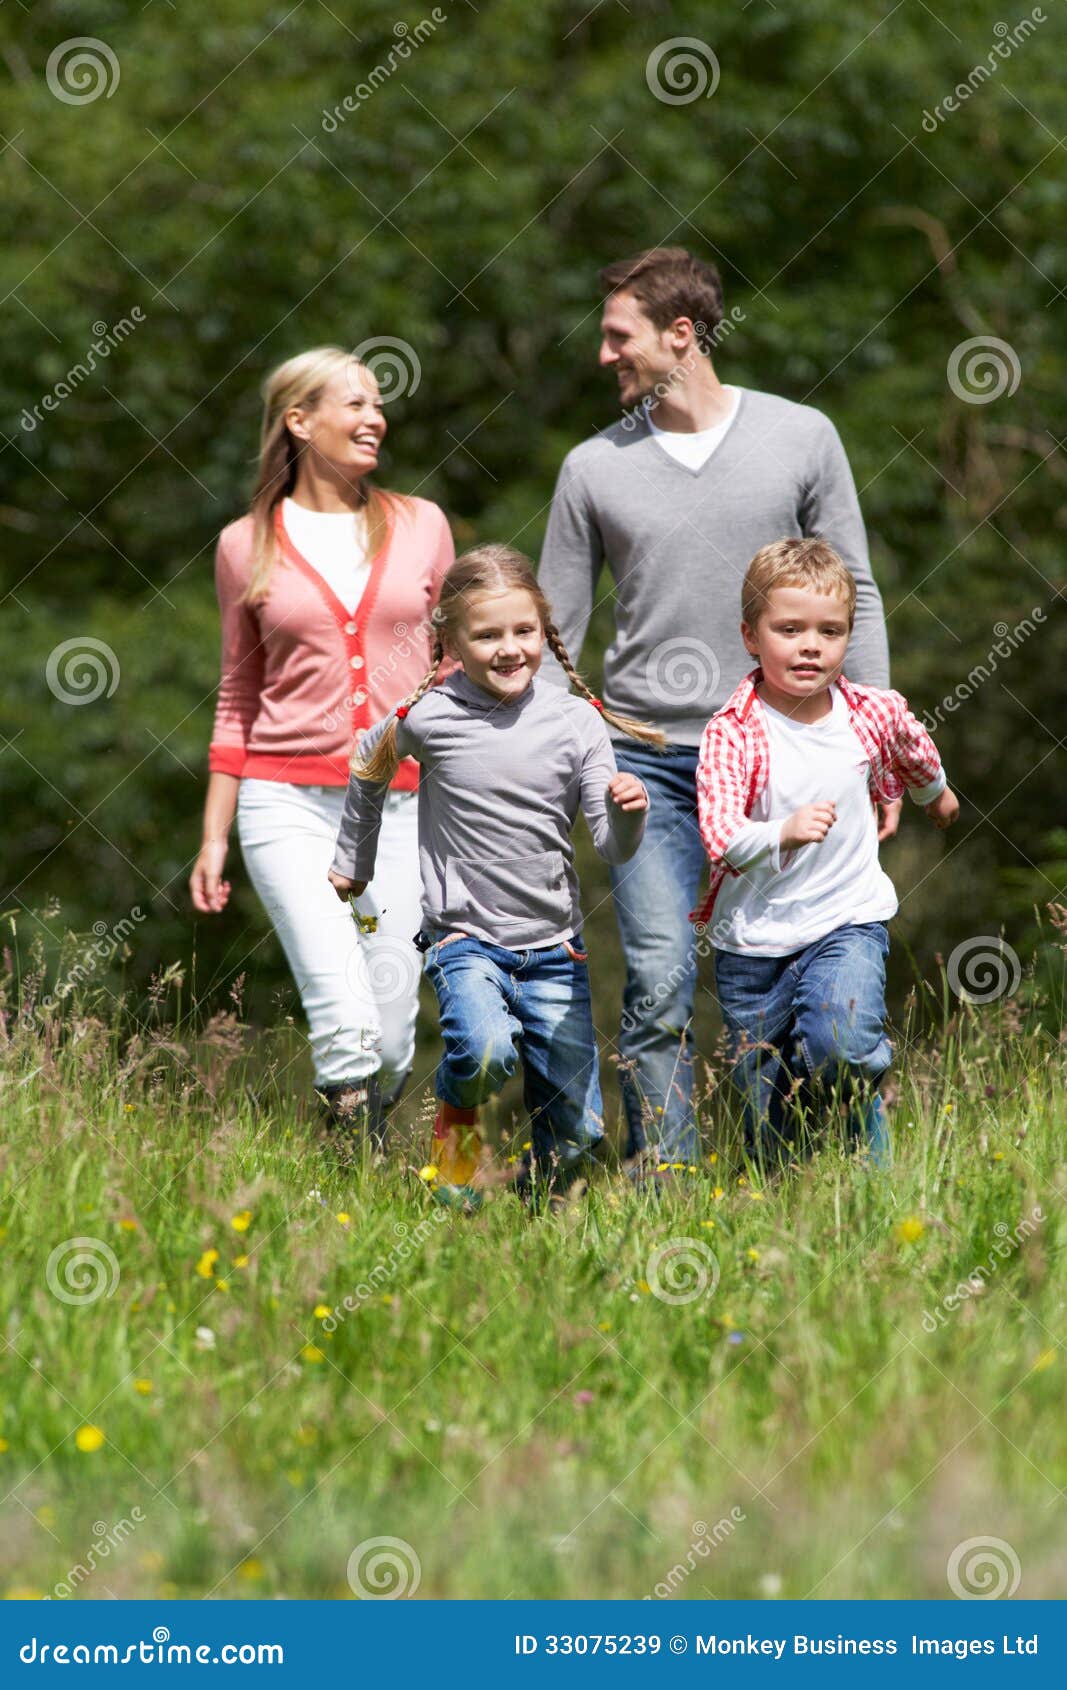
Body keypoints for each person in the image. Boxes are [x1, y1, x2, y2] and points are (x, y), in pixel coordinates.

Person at [538, 246, 894, 1171]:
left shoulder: (801, 436)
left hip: (784, 758)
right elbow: (553, 636)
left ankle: (802, 1171)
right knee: (657, 980)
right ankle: (665, 1185)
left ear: (681, 335)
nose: (604, 355)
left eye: (620, 337)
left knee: (786, 977)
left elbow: (854, 589)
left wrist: (879, 745)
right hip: (646, 763)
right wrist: (551, 772)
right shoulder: (590, 469)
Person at [328, 544, 661, 1202]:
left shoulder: (575, 722)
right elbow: (367, 765)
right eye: (486, 635)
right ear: (449, 639)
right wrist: (352, 862)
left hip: (554, 948)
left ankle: (539, 1209)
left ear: (545, 630)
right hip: (464, 940)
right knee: (483, 1054)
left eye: (523, 631)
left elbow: (612, 847)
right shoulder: (426, 717)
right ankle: (456, 1120)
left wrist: (629, 814)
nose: (509, 649)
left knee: (578, 1133)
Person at [190, 346, 454, 1138]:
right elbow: (238, 693)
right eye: (355, 404)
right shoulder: (246, 544)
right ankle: (351, 1190)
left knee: (395, 1022)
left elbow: (451, 671)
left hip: (402, 807)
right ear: (299, 421)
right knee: (342, 1012)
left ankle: (361, 1160)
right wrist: (212, 834)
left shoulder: (422, 525)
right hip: (285, 805)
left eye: (379, 406)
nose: (376, 418)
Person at [692, 537, 959, 1168]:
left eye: (830, 631)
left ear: (847, 637)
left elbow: (914, 747)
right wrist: (783, 830)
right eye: (789, 628)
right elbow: (721, 834)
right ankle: (792, 1200)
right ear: (751, 636)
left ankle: (872, 1173)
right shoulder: (731, 732)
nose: (811, 645)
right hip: (752, 942)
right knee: (767, 1109)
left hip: (847, 918)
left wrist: (936, 796)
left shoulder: (871, 712)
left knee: (840, 1045)